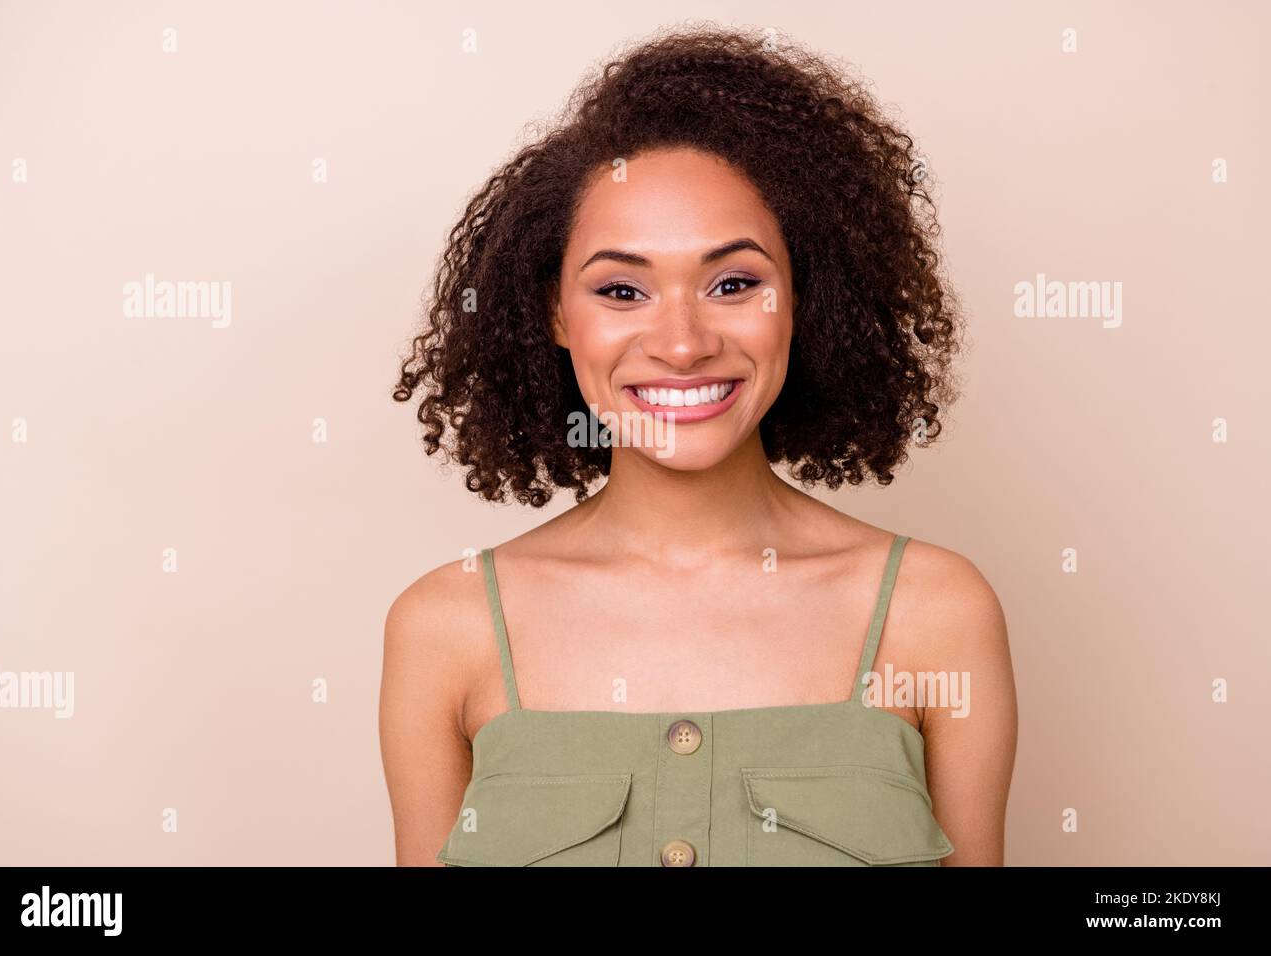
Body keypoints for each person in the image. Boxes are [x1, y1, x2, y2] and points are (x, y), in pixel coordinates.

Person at [381, 25, 1017, 866]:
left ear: (803, 299)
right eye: (621, 289)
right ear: (555, 315)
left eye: (733, 284)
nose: (682, 345)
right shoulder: (444, 628)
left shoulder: (935, 612)